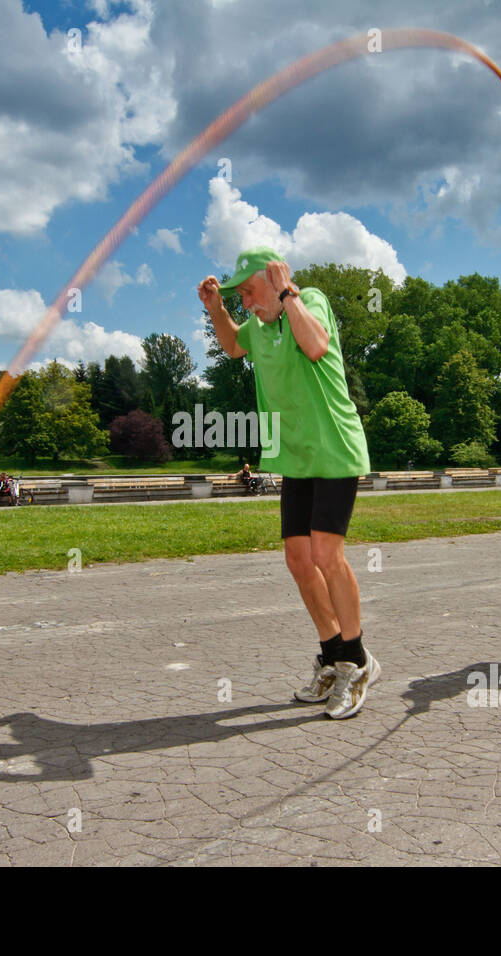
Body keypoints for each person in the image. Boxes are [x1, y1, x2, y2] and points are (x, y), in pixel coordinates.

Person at [199, 247, 375, 718]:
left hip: (334, 447)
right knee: (299, 559)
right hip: (295, 455)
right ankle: (333, 652)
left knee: (325, 553)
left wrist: (287, 292)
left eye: (250, 291)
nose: (247, 303)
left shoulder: (309, 300)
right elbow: (234, 345)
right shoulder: (256, 327)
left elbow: (316, 345)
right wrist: (217, 310)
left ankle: (357, 663)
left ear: (273, 278)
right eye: (240, 297)